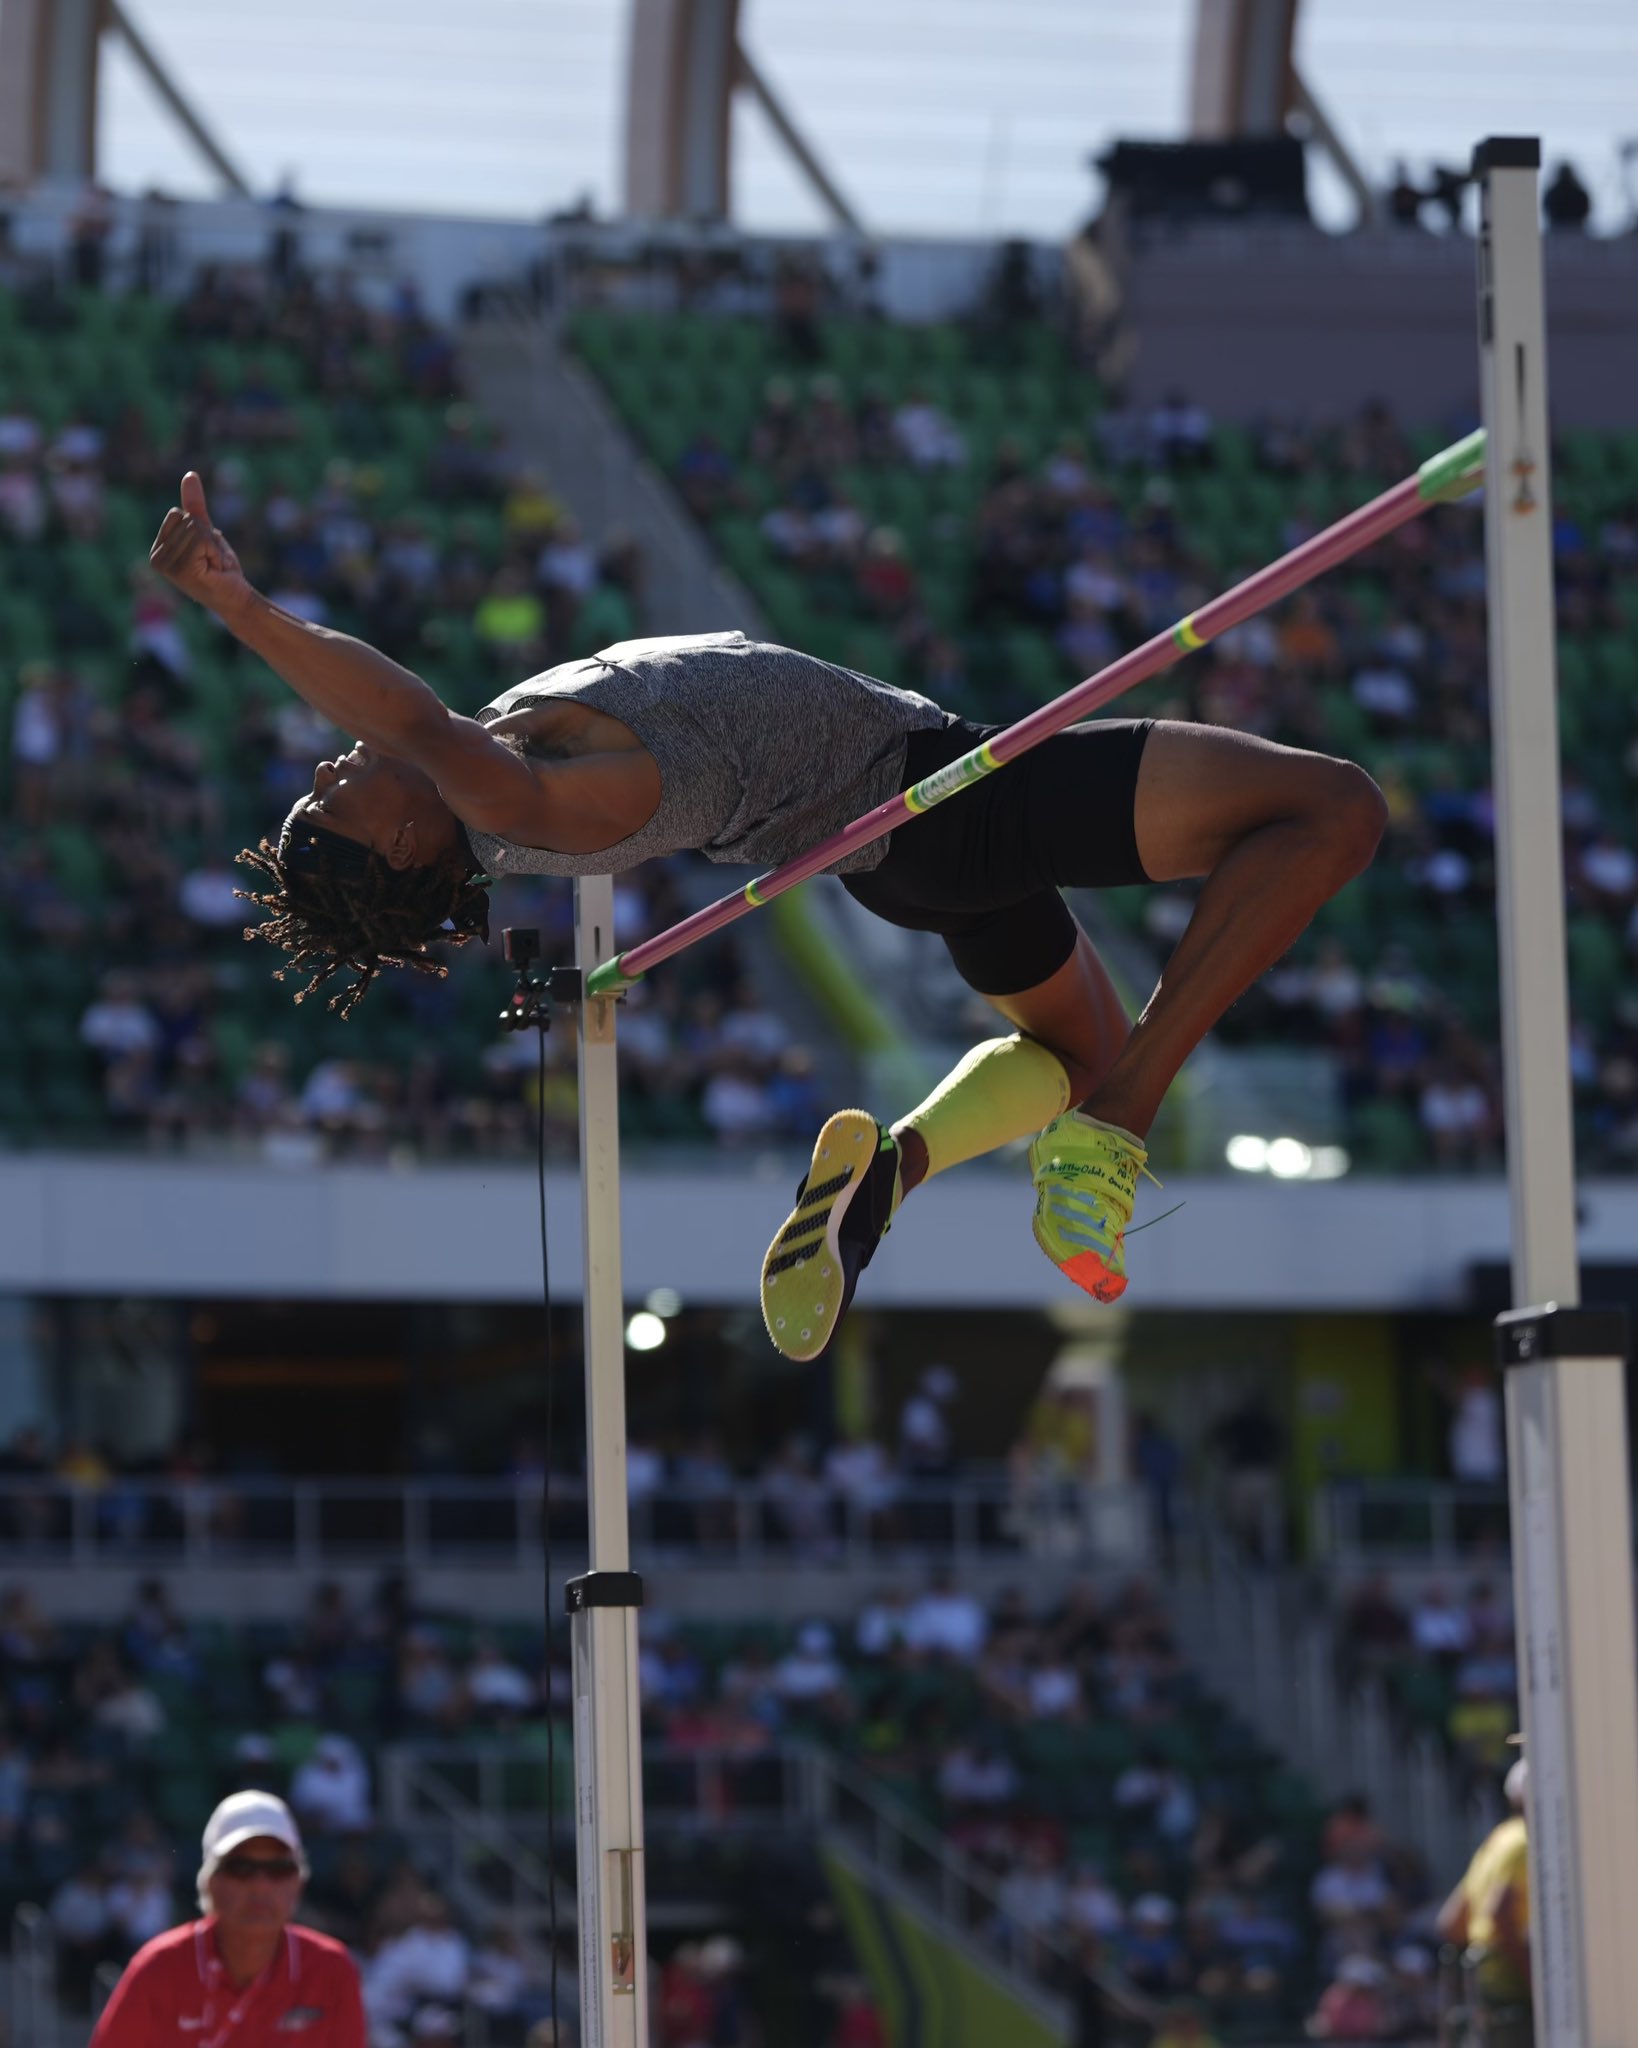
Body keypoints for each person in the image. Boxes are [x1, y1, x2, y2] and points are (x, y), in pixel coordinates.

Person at [149, 471, 1387, 1360]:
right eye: (332, 801)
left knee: (1080, 1045)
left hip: (896, 849)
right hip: (943, 799)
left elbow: (415, 723)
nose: (327, 767)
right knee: (1331, 809)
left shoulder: (499, 770)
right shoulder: (506, 795)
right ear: (404, 842)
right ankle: (1119, 1127)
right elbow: (406, 717)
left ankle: (889, 1171)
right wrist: (241, 607)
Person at [92, 1789, 366, 2046]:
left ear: (299, 1883)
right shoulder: (157, 1968)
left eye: (279, 1869)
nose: (260, 1886)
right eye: (241, 1868)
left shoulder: (332, 1970)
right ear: (210, 1882)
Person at [1436, 1749, 1532, 2047]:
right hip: (1511, 1986)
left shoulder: (1497, 1839)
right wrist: (1533, 1978)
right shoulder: (1526, 1841)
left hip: (1484, 1984)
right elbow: (1499, 1914)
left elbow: (1452, 1923)